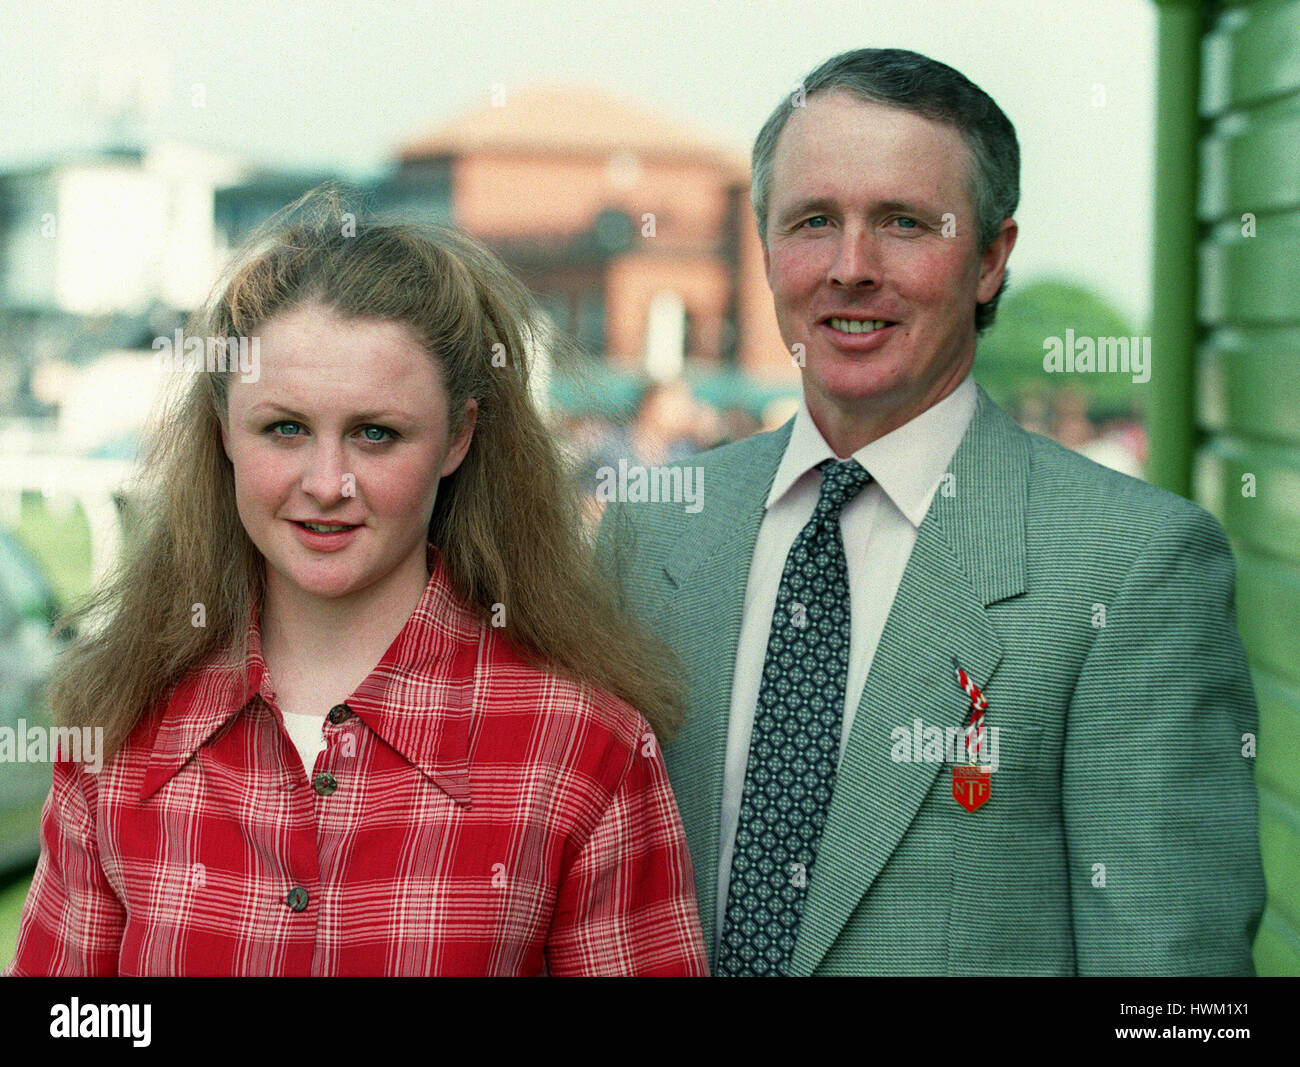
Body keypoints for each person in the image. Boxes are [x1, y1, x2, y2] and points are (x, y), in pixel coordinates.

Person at [598, 48, 1264, 976]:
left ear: (992, 257)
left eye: (904, 222)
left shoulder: (1133, 567)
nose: (850, 267)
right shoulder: (655, 533)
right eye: (813, 221)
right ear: (766, 246)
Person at [6, 190, 708, 976]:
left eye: (377, 433)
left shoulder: (585, 744)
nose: (328, 481)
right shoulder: (120, 726)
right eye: (285, 428)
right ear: (223, 432)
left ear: (459, 437)